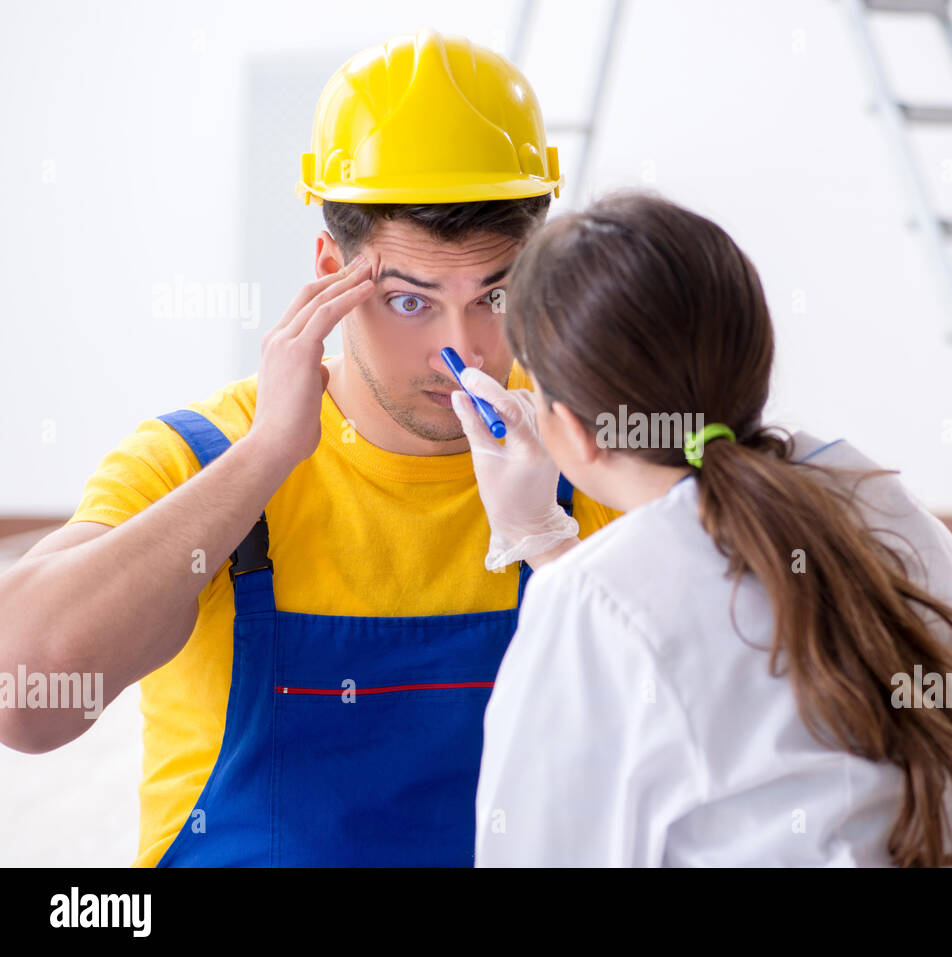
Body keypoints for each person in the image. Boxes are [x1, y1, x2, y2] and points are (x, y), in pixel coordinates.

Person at [0, 30, 617, 866]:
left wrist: (553, 545)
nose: (463, 351)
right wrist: (264, 459)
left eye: (495, 295)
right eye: (410, 302)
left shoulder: (597, 462)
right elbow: (26, 702)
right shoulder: (200, 454)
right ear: (331, 269)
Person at [457, 191, 952, 866]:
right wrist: (549, 543)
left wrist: (542, 542)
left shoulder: (587, 607)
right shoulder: (887, 506)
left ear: (571, 430)